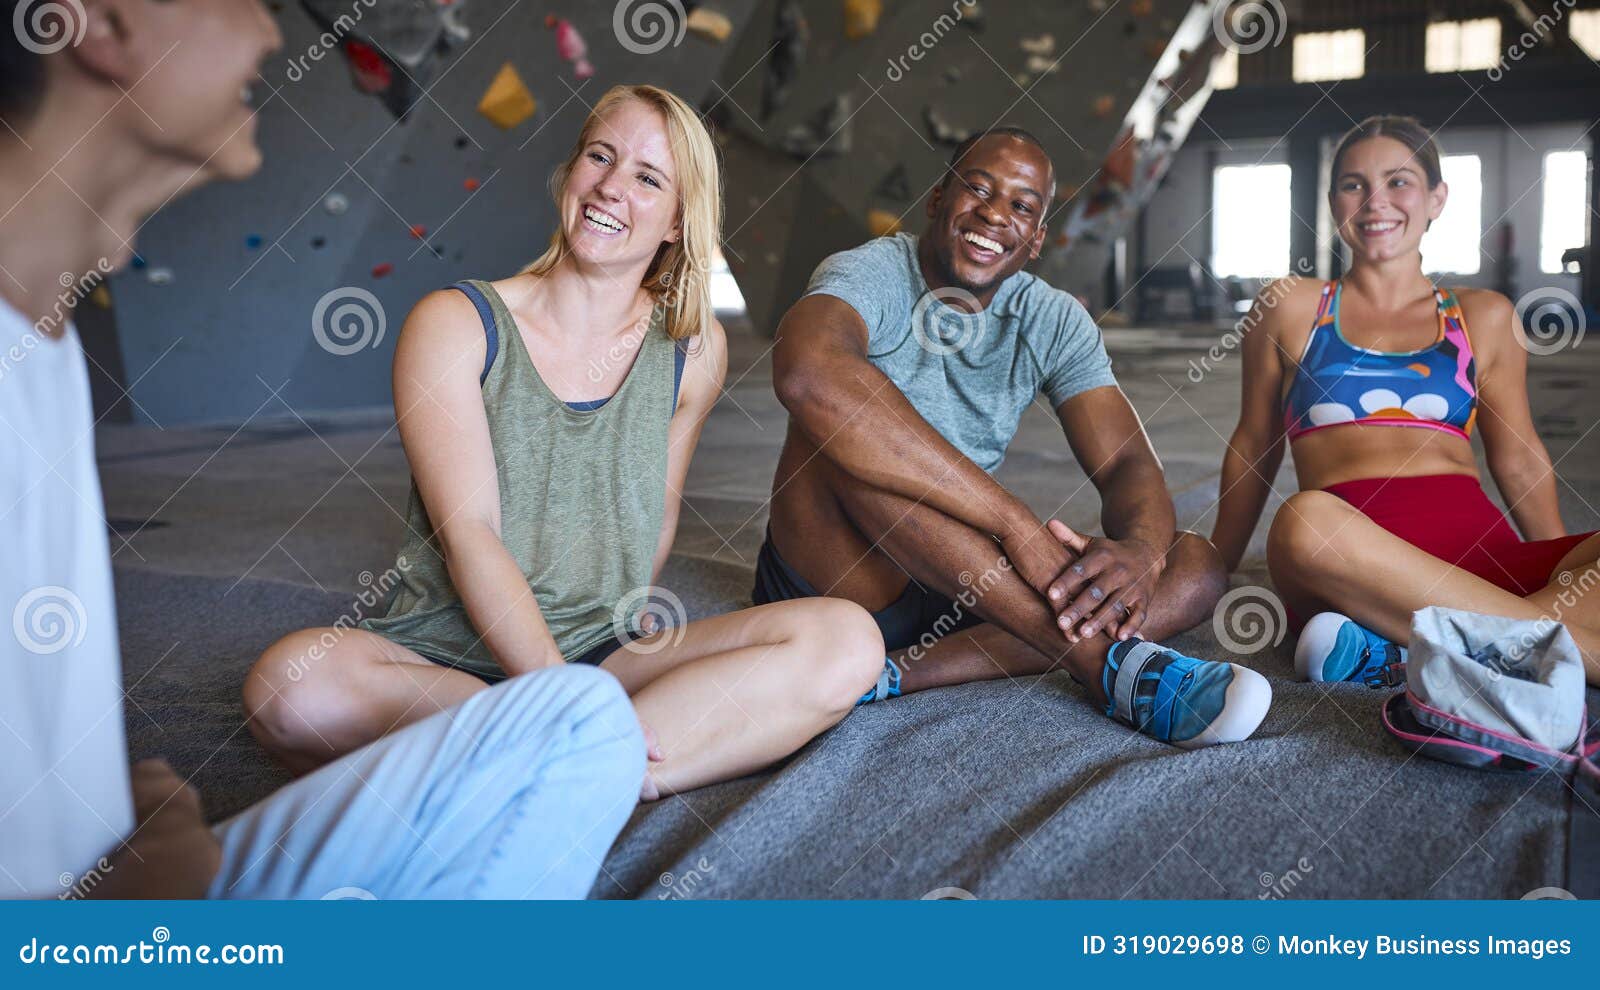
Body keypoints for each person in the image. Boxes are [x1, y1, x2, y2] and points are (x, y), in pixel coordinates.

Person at [1, 0, 645, 900]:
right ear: (99, 23)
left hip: (115, 880)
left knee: (580, 718)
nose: (272, 33)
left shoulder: (44, 340)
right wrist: (133, 902)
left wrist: (120, 839)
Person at [244, 85, 886, 799]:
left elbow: (658, 505)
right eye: (599, 157)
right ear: (572, 171)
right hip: (442, 660)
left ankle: (558, 765)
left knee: (846, 640)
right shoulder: (454, 323)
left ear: (678, 221)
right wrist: (556, 699)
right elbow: (470, 535)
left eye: (648, 178)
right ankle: (593, 758)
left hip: (600, 656)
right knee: (290, 687)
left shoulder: (691, 351)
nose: (612, 187)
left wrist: (628, 609)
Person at [757, 126, 1272, 749]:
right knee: (846, 436)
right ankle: (1097, 662)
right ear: (938, 200)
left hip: (964, 578)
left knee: (1195, 566)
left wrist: (1142, 553)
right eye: (978, 188)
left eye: (1022, 206)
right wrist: (1014, 524)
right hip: (849, 578)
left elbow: (1128, 463)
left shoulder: (1051, 317)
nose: (995, 214)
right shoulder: (873, 271)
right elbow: (809, 375)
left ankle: (900, 673)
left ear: (1035, 240)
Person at [1211, 114, 1599, 688]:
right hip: (1345, 558)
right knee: (1301, 521)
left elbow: (1517, 455)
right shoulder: (1291, 305)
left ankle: (1450, 642)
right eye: (1353, 184)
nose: (1375, 202)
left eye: (1398, 181)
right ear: (1332, 201)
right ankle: (1541, 647)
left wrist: (1559, 570)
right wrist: (1215, 566)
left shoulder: (1484, 315)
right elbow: (1253, 445)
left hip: (1483, 566)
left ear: (1437, 198)